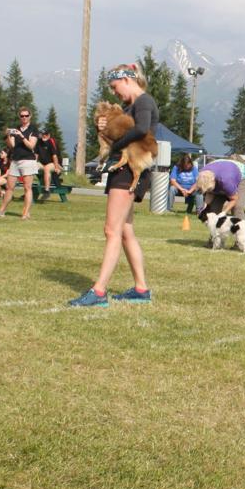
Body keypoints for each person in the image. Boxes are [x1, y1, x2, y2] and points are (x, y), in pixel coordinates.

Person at [69, 64, 155, 308]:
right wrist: (105, 131)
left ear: (127, 79)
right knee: (125, 231)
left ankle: (98, 291)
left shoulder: (143, 102)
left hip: (127, 171)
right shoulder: (132, 106)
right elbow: (126, 134)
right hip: (126, 170)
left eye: (115, 87)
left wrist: (116, 146)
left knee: (111, 230)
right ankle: (141, 289)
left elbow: (140, 130)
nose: (114, 93)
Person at [0, 107, 39, 219]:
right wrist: (7, 137)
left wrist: (22, 136)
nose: (24, 118)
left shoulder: (33, 129)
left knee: (27, 187)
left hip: (28, 160)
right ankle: (2, 211)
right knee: (9, 187)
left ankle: (25, 213)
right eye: (22, 116)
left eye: (26, 115)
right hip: (15, 160)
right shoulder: (16, 129)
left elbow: (31, 146)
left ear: (30, 116)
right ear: (19, 117)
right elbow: (12, 147)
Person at [35, 129, 62, 199]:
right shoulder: (39, 142)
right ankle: (28, 189)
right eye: (43, 134)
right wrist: (33, 163)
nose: (44, 136)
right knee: (31, 166)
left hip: (55, 164)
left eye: (46, 134)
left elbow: (55, 156)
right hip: (42, 163)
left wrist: (56, 168)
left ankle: (47, 190)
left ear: (49, 135)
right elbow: (36, 155)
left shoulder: (52, 141)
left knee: (47, 168)